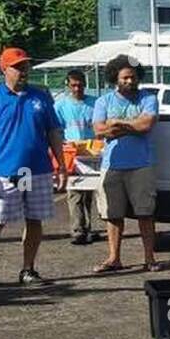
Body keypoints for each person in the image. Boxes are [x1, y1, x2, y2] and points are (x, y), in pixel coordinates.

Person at [0, 47, 67, 289]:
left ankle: (28, 269)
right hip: (5, 171)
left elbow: (54, 132)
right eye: (17, 66)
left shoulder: (40, 97)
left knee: (34, 219)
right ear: (4, 68)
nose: (23, 71)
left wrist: (61, 165)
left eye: (25, 65)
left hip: (37, 170)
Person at [91, 55, 160, 273]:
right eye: (126, 78)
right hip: (112, 166)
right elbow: (99, 130)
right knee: (113, 214)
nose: (130, 81)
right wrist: (132, 125)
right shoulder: (104, 101)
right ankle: (114, 258)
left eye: (134, 77)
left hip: (141, 165)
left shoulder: (148, 99)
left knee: (145, 213)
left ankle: (149, 258)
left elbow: (146, 125)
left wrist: (118, 123)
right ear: (115, 78)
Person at [54, 69, 99, 245]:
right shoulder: (60, 105)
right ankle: (77, 230)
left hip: (91, 153)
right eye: (73, 85)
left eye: (80, 85)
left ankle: (88, 227)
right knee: (74, 192)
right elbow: (55, 130)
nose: (77, 88)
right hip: (71, 153)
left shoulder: (94, 103)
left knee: (89, 193)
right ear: (68, 85)